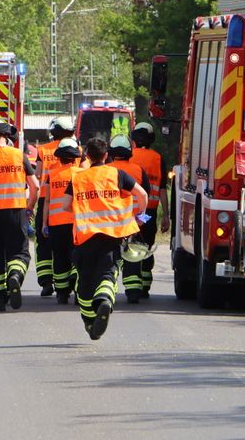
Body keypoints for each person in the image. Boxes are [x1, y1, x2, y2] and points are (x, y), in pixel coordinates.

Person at [69, 137, 147, 340]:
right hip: (112, 237)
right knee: (108, 274)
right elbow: (142, 194)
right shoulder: (117, 174)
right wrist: (140, 216)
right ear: (106, 155)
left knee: (85, 284)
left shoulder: (78, 178)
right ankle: (104, 299)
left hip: (85, 238)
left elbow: (64, 206)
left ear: (87, 155)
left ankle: (89, 321)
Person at [0, 119, 39, 312]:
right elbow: (35, 186)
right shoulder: (19, 155)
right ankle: (15, 275)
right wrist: (29, 208)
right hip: (16, 211)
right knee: (19, 251)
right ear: (6, 136)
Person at [33, 116, 75, 297]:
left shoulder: (42, 150)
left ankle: (46, 281)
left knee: (44, 243)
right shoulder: (77, 149)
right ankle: (72, 277)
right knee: (72, 243)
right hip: (73, 202)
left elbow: (37, 174)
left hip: (47, 200)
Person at [106, 135, 151, 304]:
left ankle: (107, 287)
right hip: (131, 222)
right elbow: (145, 194)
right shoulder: (138, 170)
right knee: (132, 256)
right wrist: (141, 216)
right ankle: (133, 291)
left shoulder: (106, 169)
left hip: (109, 222)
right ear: (129, 152)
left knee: (110, 257)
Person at [130, 122, 169, 297]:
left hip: (129, 212)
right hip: (148, 214)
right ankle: (145, 283)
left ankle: (133, 283)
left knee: (131, 245)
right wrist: (166, 215)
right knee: (146, 245)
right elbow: (162, 190)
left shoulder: (128, 156)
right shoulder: (158, 158)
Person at [42, 137, 83, 304]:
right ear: (75, 157)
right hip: (77, 223)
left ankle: (61, 293)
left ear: (59, 157)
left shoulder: (52, 175)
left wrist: (44, 223)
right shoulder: (81, 174)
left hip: (56, 223)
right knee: (77, 255)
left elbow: (47, 201)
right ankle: (75, 280)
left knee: (59, 258)